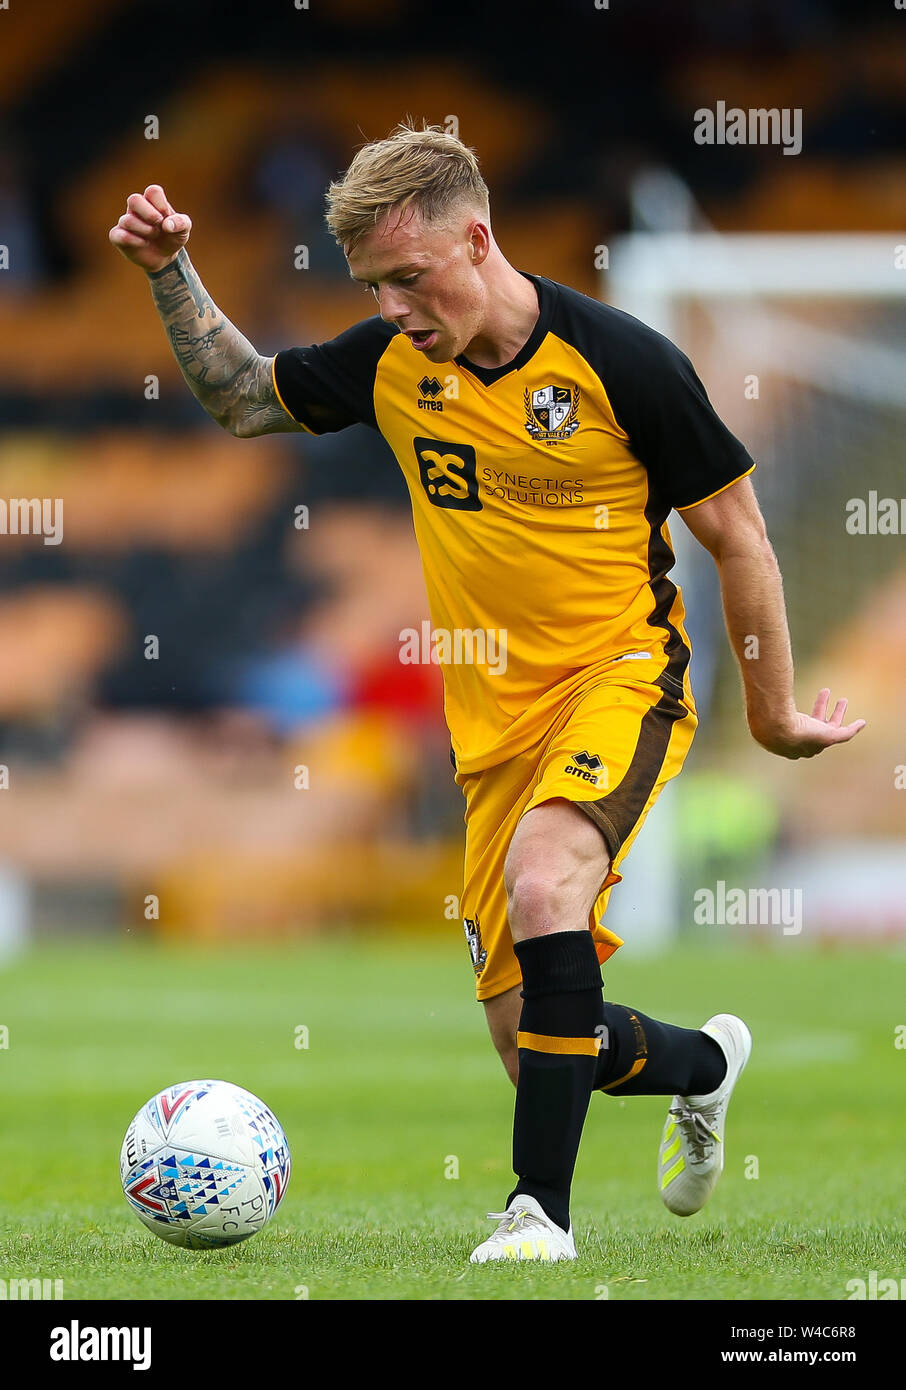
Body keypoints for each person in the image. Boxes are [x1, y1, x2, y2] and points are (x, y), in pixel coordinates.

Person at [109, 123, 865, 1263]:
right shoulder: (391, 365)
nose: (395, 306)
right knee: (536, 1039)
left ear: (478, 237)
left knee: (549, 870)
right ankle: (706, 1066)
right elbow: (245, 399)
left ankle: (537, 1218)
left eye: (409, 278)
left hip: (622, 677)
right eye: (373, 285)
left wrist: (771, 708)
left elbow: (741, 537)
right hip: (491, 729)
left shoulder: (624, 361)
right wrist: (172, 272)